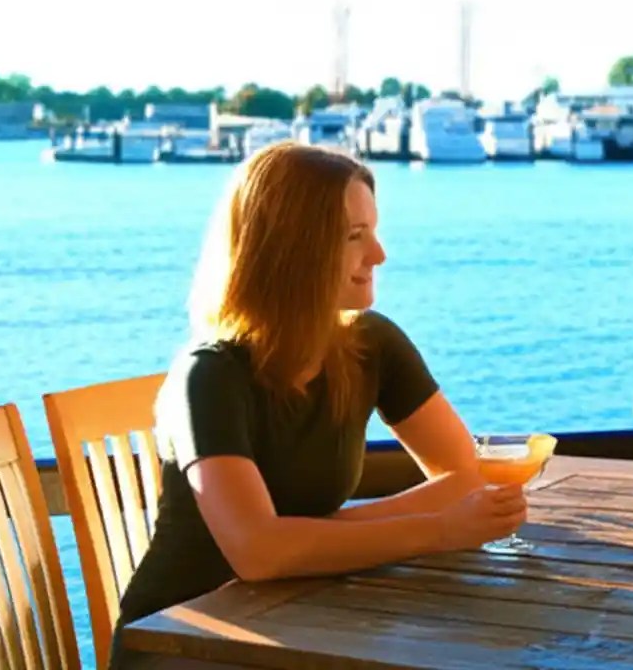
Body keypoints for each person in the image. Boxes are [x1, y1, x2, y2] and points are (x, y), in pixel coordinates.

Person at [110, 142, 526, 667]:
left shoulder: (372, 345)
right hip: (186, 643)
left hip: (303, 619)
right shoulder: (210, 374)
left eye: (373, 231)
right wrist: (437, 531)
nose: (378, 255)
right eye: (355, 237)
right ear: (291, 249)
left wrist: (323, 536)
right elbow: (258, 553)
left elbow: (464, 476)